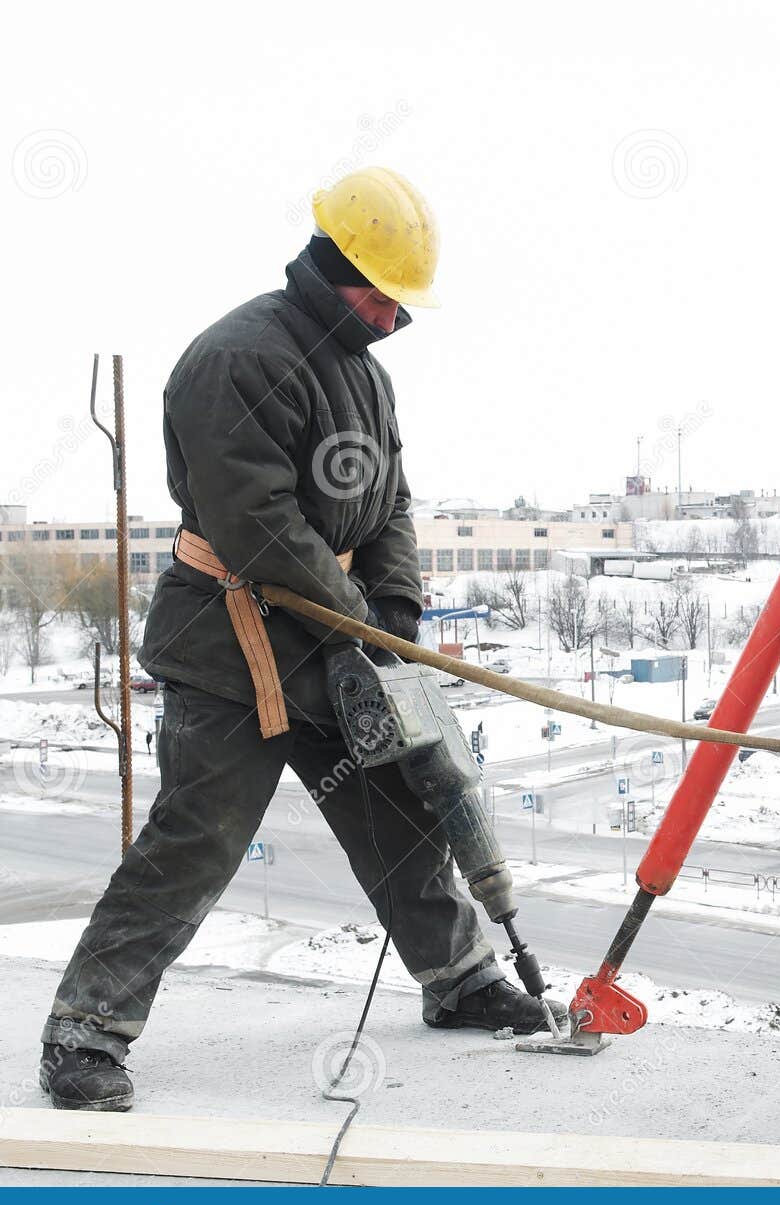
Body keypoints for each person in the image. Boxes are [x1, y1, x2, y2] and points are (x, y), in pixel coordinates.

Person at [40, 167, 555, 1113]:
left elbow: (391, 504)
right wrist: (358, 618)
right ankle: (85, 1028)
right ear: (331, 269)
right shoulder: (235, 359)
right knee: (197, 839)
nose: (395, 319)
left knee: (398, 811)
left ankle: (459, 978)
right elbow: (260, 525)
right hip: (229, 645)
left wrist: (393, 612)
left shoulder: (367, 375)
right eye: (383, 297)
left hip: (333, 641)